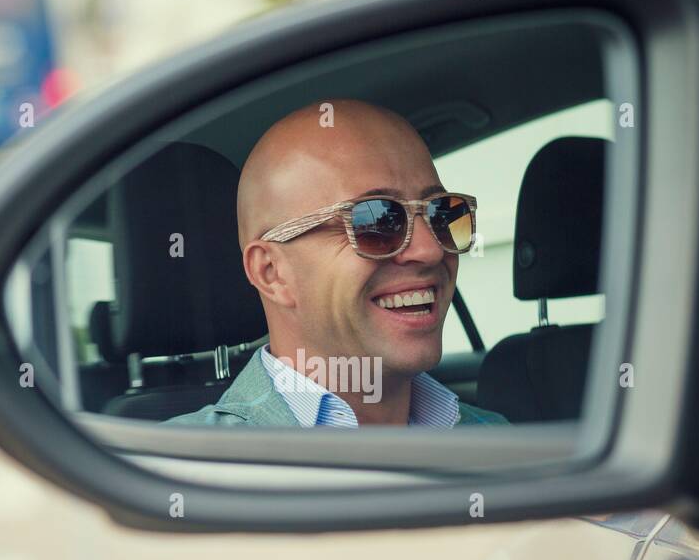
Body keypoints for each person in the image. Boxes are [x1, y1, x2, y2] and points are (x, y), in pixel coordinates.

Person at [168, 99, 507, 427]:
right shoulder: (177, 467)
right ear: (272, 273)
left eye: (441, 212)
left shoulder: (501, 443)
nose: (430, 249)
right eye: (376, 220)